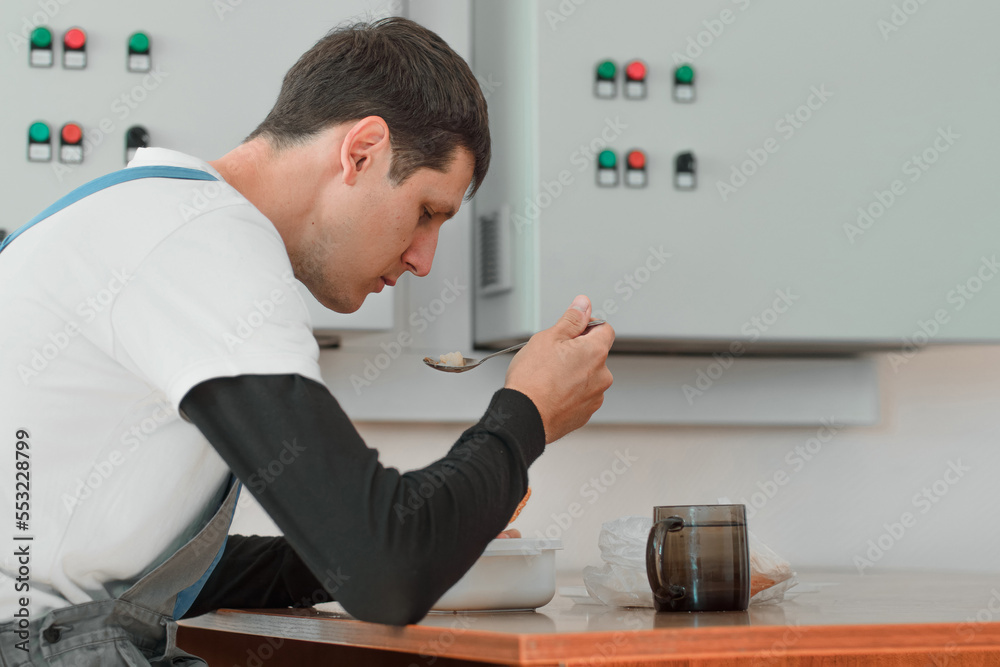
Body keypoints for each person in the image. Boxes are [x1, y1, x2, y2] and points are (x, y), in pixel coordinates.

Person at [0, 16, 614, 665]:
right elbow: (387, 571)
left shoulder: (149, 217)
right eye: (427, 212)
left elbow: (143, 571)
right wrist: (529, 415)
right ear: (362, 151)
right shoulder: (206, 242)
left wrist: (347, 549)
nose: (424, 259)